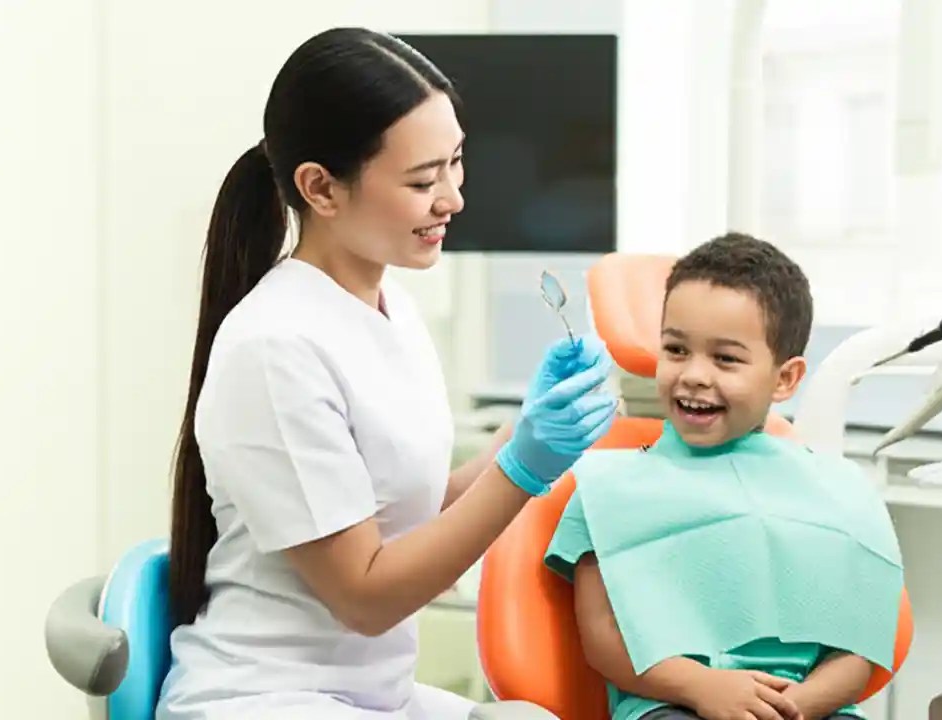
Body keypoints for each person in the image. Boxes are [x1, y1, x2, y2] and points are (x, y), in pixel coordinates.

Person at [157, 28, 619, 720]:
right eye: (423, 179)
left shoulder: (390, 308)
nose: (453, 199)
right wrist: (522, 467)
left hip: (372, 696)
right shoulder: (274, 346)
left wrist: (521, 435)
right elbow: (366, 595)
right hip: (264, 698)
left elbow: (405, 511)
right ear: (321, 188)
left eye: (455, 163)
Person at [543, 234, 905, 720]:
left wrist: (783, 709)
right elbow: (605, 638)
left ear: (786, 379)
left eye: (726, 358)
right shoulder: (607, 488)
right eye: (675, 349)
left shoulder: (838, 492)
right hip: (670, 705)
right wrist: (703, 688)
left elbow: (854, 655)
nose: (693, 374)